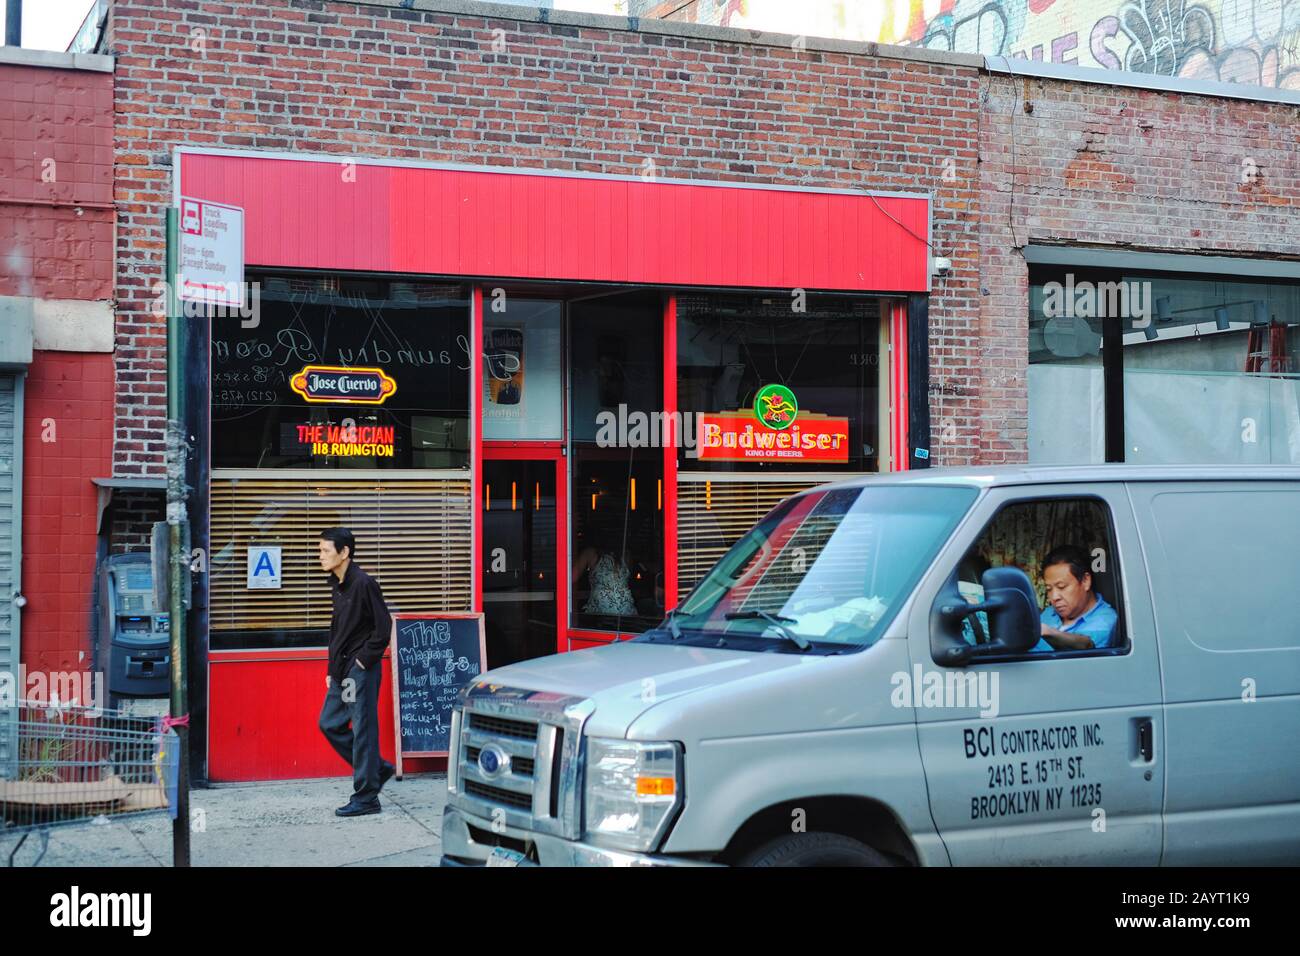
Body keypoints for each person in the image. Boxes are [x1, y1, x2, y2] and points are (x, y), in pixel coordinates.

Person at [317, 527, 396, 816]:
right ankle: (376, 769)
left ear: (344, 552)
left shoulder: (364, 583)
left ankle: (366, 797)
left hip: (358, 671)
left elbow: (383, 628)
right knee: (330, 723)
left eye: (325, 550)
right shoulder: (338, 584)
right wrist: (332, 668)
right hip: (343, 672)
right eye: (320, 550)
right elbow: (338, 630)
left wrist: (362, 662)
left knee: (362, 729)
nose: (320, 556)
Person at [1033, 544, 1117, 653]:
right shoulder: (1049, 613)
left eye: (1061, 587)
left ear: (1085, 581)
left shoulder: (1106, 620)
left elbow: (1087, 645)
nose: (1054, 597)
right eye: (1049, 589)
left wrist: (1049, 633)